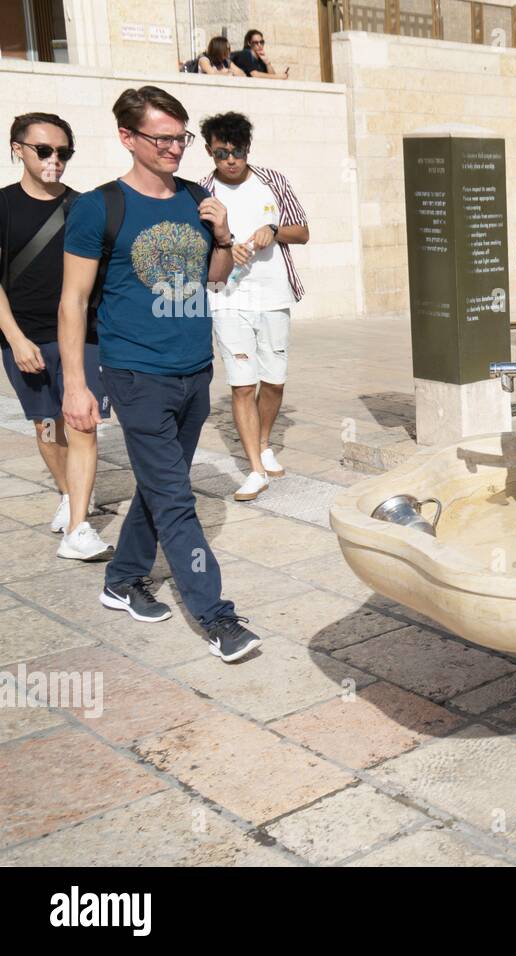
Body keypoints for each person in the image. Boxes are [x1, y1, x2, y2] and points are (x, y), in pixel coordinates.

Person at [59, 85, 262, 663]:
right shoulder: (99, 207)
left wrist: (222, 235)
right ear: (128, 137)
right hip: (135, 373)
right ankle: (217, 616)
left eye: (181, 137)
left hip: (194, 370)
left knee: (158, 484)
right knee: (176, 498)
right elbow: (72, 302)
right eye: (162, 138)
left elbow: (215, 276)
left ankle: (123, 580)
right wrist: (77, 385)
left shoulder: (197, 197)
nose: (176, 148)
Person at [1, 112, 113, 560]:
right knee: (47, 427)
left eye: (63, 152)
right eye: (44, 150)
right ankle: (69, 495)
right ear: (17, 150)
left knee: (83, 423)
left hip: (81, 338)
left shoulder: (84, 206)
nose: (55, 160)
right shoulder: (3, 206)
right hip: (23, 338)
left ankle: (79, 528)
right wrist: (15, 339)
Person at [198, 111, 310, 503]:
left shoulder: (273, 181)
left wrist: (274, 231)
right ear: (210, 152)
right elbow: (197, 249)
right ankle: (255, 470)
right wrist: (226, 247)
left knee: (274, 381)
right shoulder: (200, 191)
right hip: (226, 298)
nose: (230, 159)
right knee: (242, 385)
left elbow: (303, 231)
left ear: (248, 148)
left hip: (274, 294)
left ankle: (264, 443)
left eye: (237, 151)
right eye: (221, 152)